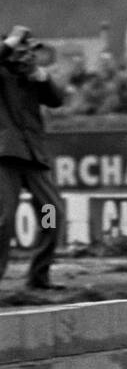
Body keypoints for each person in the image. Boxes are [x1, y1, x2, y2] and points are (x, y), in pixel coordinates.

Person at [0, 26, 67, 291]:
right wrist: (11, 42)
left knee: (52, 213)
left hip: (33, 158)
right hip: (5, 157)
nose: (28, 55)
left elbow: (56, 100)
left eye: (31, 51)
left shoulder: (32, 78)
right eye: (23, 50)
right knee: (4, 219)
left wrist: (41, 76)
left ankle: (39, 275)